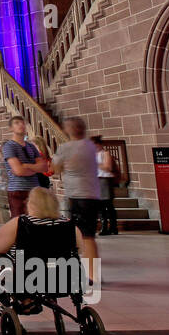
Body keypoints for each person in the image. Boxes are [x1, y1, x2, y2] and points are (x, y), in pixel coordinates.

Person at [52, 117, 110, 280]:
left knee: (84, 236)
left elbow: (55, 168)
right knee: (88, 235)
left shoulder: (66, 148)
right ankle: (91, 272)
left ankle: (91, 275)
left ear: (70, 130)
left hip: (77, 195)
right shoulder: (90, 146)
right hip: (92, 193)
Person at [1, 117, 46, 220]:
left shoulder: (31, 146)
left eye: (23, 123)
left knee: (37, 221)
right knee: (19, 223)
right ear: (10, 128)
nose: (21, 125)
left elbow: (44, 167)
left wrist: (26, 166)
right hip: (18, 189)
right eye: (17, 123)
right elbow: (18, 171)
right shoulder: (9, 146)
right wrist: (34, 168)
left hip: (35, 190)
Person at [94, 136, 119, 235]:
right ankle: (104, 227)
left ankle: (113, 226)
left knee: (108, 204)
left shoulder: (105, 153)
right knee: (100, 206)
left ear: (99, 144)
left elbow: (108, 167)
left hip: (105, 180)